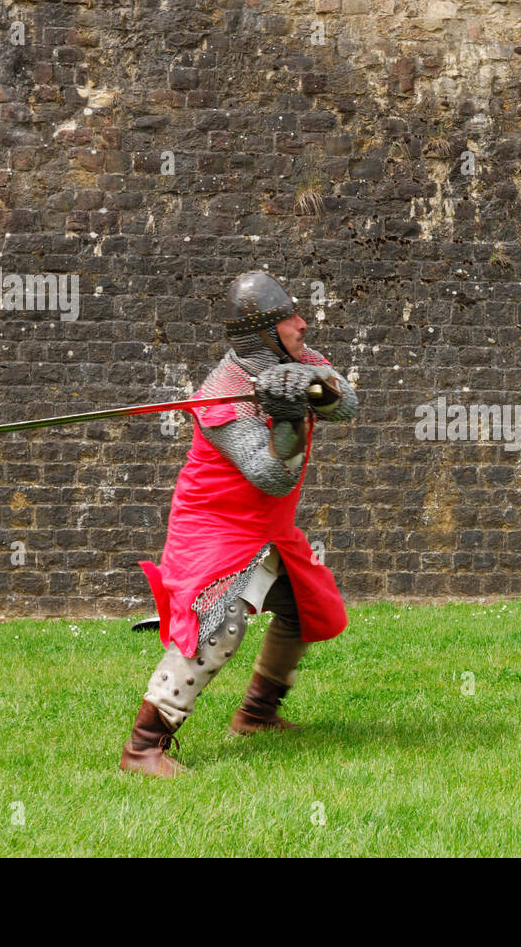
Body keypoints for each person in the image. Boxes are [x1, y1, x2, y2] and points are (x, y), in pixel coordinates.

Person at [120, 271, 358, 775]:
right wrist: (288, 415)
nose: (302, 323)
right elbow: (271, 476)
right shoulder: (223, 398)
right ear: (264, 333)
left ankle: (256, 714)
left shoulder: (296, 360)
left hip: (268, 528)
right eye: (288, 319)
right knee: (218, 624)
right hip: (216, 526)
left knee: (307, 608)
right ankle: (144, 748)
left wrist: (312, 386)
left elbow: (348, 404)